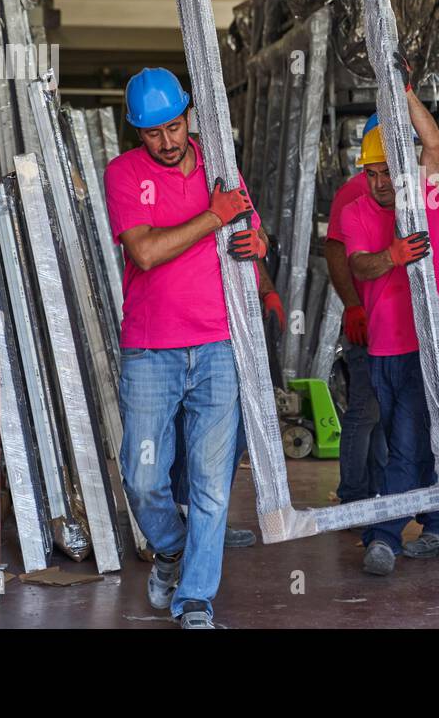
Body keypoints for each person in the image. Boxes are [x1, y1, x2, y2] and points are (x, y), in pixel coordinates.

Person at [104, 67, 280, 629]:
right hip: (151, 349)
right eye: (153, 133)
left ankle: (196, 600)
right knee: (143, 476)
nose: (166, 141)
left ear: (188, 118)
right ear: (138, 133)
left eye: (174, 127)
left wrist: (259, 244)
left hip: (217, 347)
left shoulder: (221, 168)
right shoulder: (124, 174)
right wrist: (213, 216)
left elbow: (247, 231)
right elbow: (147, 252)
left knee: (210, 482)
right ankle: (173, 549)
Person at [340, 89, 439, 576]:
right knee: (412, 437)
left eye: (387, 173)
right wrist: (393, 256)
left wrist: (405, 94)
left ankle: (384, 536)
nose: (378, 184)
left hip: (430, 343)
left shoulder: (427, 200)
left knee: (407, 442)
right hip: (382, 349)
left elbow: (434, 145)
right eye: (370, 174)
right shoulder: (355, 212)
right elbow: (359, 266)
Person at [324, 141, 386, 503]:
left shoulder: (406, 190)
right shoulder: (354, 192)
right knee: (365, 409)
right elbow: (335, 250)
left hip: (390, 321)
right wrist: (352, 305)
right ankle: (353, 493)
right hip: (367, 318)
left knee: (380, 413)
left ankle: (376, 490)